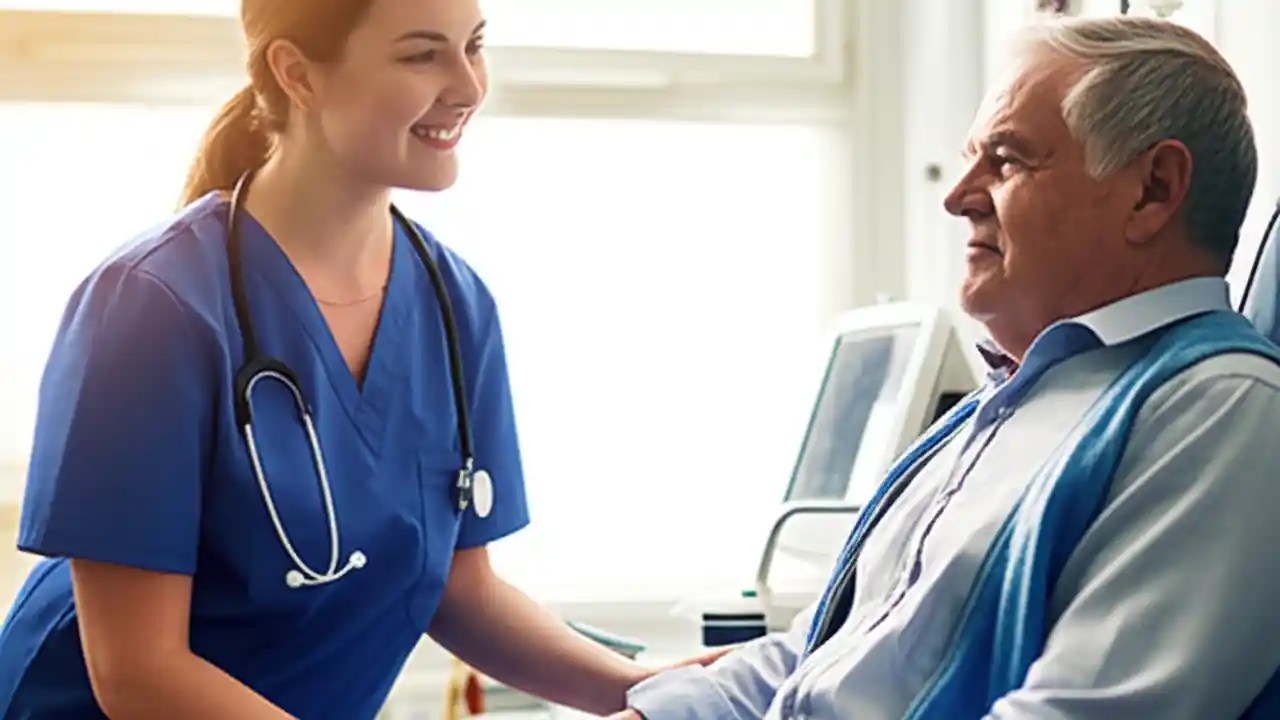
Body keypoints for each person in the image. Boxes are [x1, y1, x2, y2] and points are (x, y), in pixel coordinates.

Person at [0, 1, 674, 718]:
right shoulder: (154, 305)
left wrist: (663, 689)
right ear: (297, 73)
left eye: (473, 47)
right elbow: (138, 671)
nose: (469, 86)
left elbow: (459, 590)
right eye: (422, 55)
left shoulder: (453, 305)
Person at [614, 15, 1280, 720]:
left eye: (1007, 160)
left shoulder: (1224, 411)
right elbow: (821, 654)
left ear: (1152, 189)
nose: (957, 194)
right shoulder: (1007, 405)